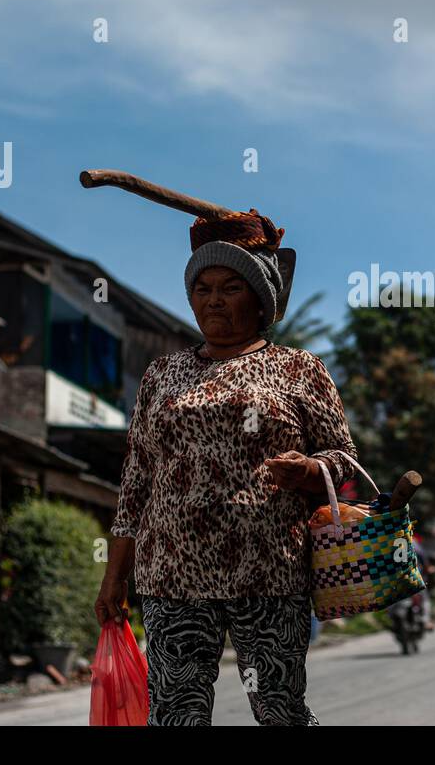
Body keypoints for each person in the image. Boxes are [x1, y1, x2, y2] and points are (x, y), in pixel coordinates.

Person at [93, 207, 358, 725]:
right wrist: (115, 578)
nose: (213, 299)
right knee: (174, 713)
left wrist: (307, 469)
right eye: (203, 288)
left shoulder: (299, 368)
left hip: (268, 570)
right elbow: (136, 482)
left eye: (231, 287)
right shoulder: (162, 374)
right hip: (171, 573)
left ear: (260, 299)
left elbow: (343, 459)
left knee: (280, 710)